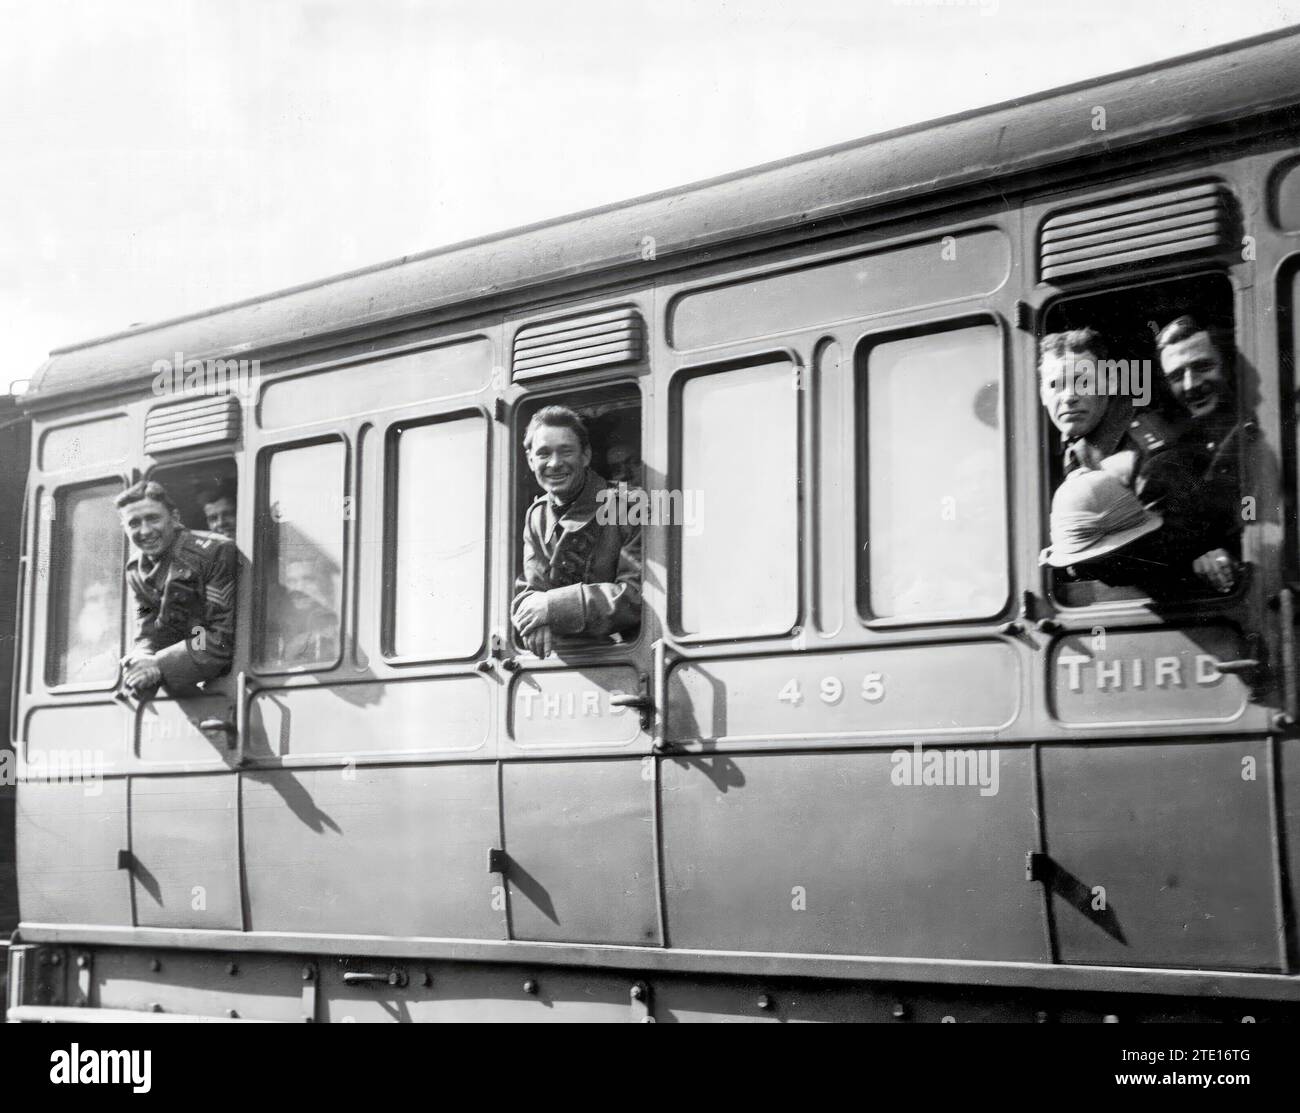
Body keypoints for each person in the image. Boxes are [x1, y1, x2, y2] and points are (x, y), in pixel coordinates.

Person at [1039, 328, 1231, 592]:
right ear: (1042, 394)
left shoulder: (1153, 456)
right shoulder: (1078, 444)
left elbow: (1170, 556)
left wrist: (1071, 561)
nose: (1068, 396)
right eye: (1054, 385)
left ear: (1111, 381)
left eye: (1082, 382)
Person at [512, 405, 641, 655]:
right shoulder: (537, 515)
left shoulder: (631, 504)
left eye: (566, 451)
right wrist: (535, 617)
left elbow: (635, 597)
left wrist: (551, 608)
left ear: (585, 456)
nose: (554, 463)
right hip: (565, 662)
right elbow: (529, 592)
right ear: (530, 461)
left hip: (621, 659)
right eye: (543, 453)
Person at [115, 479, 238, 698]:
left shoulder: (213, 553)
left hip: (221, 686)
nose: (145, 531)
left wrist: (159, 664)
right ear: (124, 528)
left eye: (153, 518)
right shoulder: (135, 570)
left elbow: (217, 638)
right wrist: (141, 657)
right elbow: (146, 627)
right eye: (134, 523)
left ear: (174, 518)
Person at [1156, 314, 1242, 591]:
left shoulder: (1264, 433)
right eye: (1176, 376)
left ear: (1229, 365)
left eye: (1203, 366)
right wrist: (1201, 558)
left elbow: (1253, 511)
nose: (1190, 384)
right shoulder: (1178, 450)